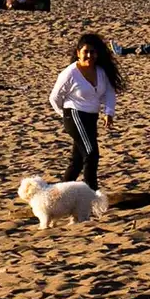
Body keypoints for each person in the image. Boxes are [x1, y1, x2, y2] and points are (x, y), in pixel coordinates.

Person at [48, 31, 121, 191]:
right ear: (78, 53)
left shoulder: (101, 72)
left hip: (91, 117)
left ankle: (58, 194)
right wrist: (65, 115)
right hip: (74, 114)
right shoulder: (70, 73)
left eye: (92, 52)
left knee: (77, 160)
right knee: (91, 153)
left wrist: (109, 112)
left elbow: (109, 92)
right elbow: (54, 97)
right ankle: (91, 194)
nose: (89, 55)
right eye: (85, 52)